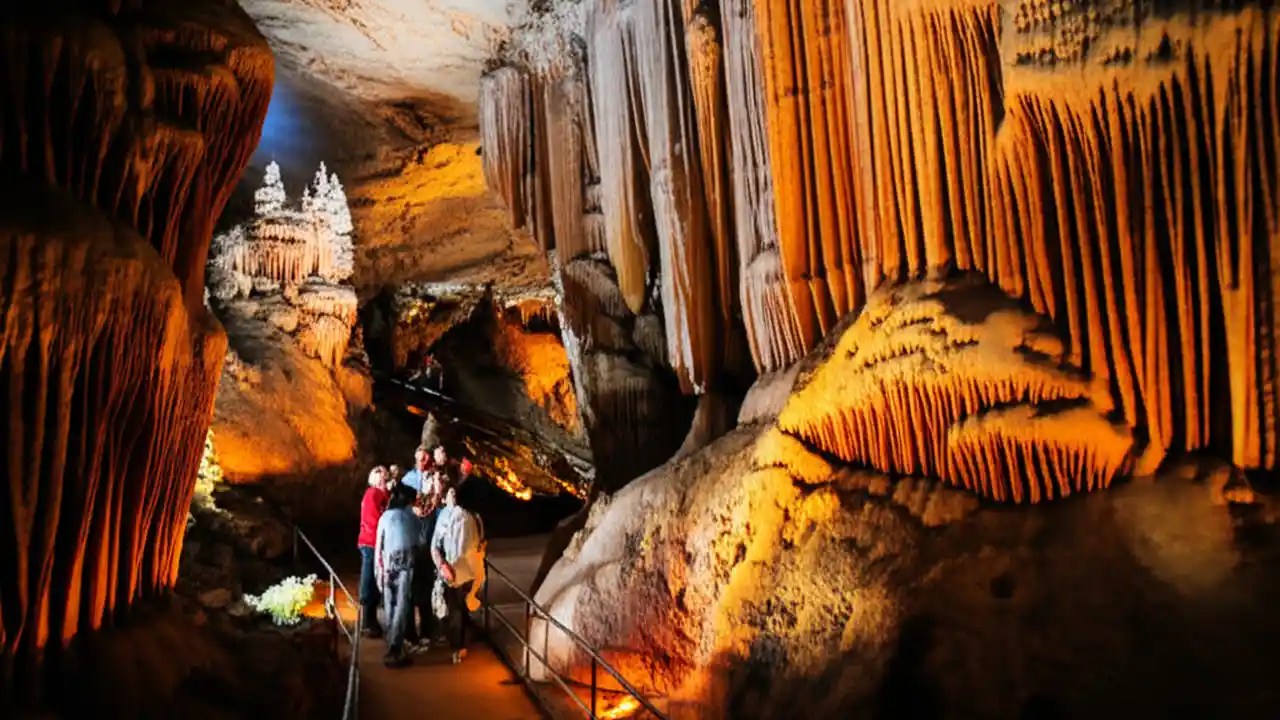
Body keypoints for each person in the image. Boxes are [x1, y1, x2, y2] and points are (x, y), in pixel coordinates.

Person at [430, 480, 487, 664]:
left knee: (459, 608)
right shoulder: (444, 517)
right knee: (453, 608)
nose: (452, 496)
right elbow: (435, 545)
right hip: (452, 568)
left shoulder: (472, 516)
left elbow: (481, 541)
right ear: (445, 498)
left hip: (467, 569)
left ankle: (459, 645)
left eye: (455, 493)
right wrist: (442, 565)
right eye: (449, 493)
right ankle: (456, 640)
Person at [375, 484, 422, 667]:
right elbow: (418, 540)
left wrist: (378, 570)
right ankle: (395, 646)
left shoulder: (385, 517)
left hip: (388, 565)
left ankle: (392, 642)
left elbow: (379, 544)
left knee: (390, 604)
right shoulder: (409, 516)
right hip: (405, 565)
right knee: (401, 605)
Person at [357, 465, 390, 639]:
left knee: (372, 578)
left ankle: (369, 620)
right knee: (370, 578)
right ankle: (368, 621)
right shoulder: (374, 494)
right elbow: (374, 520)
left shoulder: (377, 494)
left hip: (372, 542)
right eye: (382, 477)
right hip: (371, 542)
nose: (384, 479)